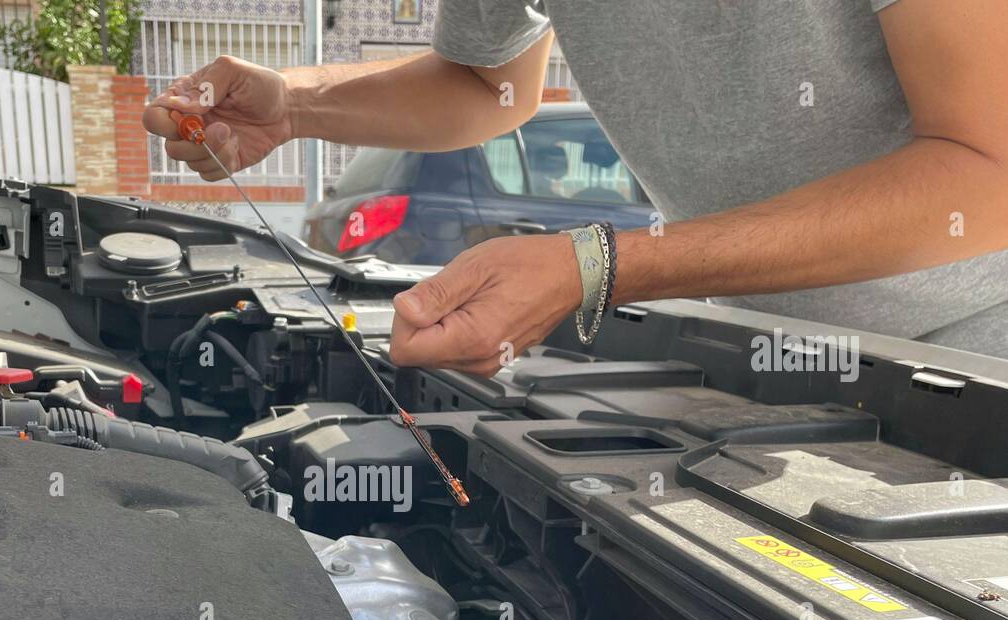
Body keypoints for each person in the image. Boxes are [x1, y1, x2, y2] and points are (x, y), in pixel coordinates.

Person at [144, 1, 1008, 376]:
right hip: (749, 353)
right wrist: (293, 106)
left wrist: (597, 265)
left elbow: (987, 167)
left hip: (972, 361)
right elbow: (489, 85)